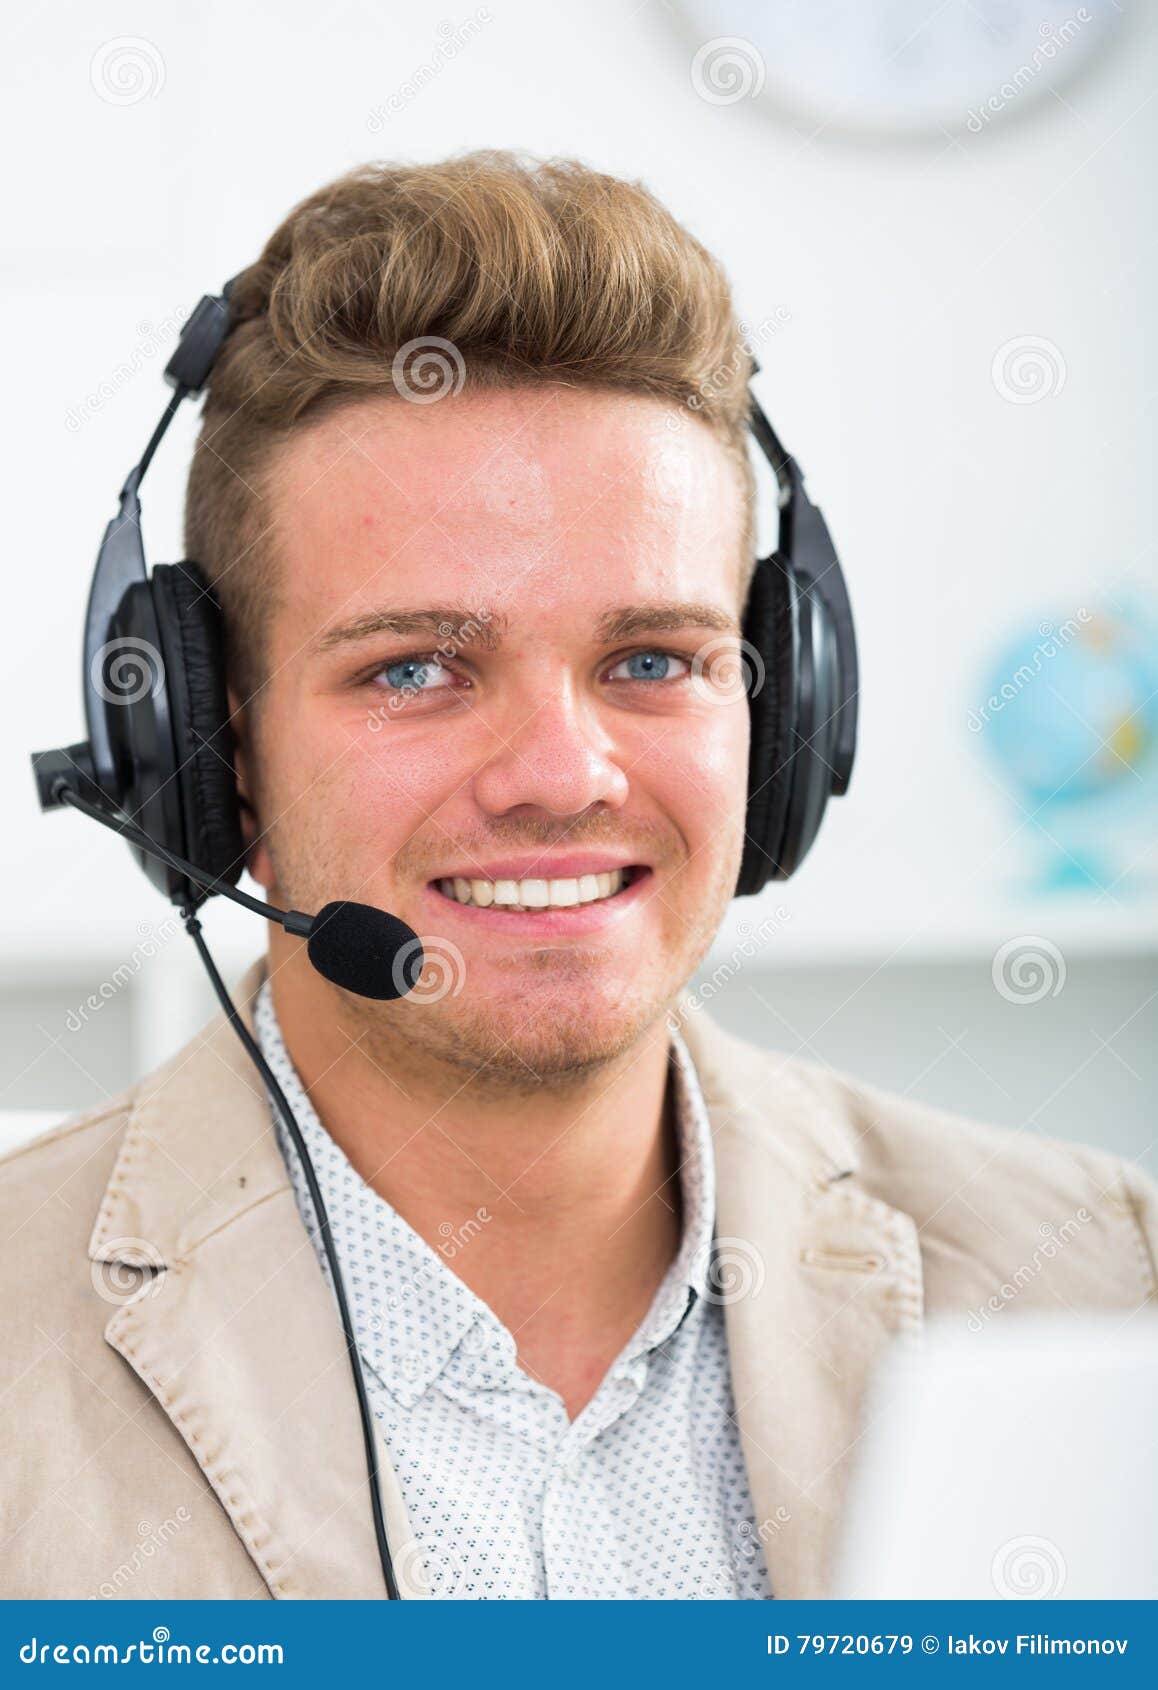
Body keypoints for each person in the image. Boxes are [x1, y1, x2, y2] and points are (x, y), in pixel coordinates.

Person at [3, 152, 1154, 1602]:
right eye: (414, 667)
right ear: (206, 759)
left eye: (651, 660)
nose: (562, 771)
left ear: (782, 718)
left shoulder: (1097, 1286)